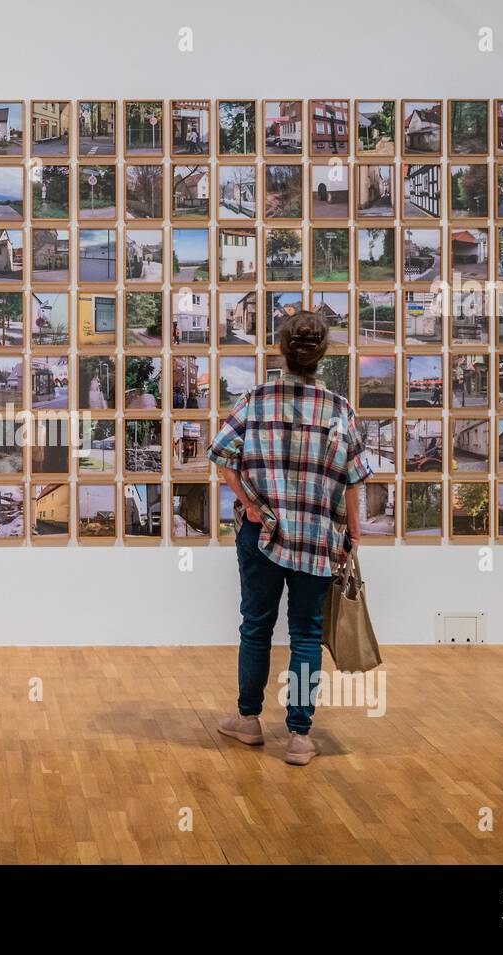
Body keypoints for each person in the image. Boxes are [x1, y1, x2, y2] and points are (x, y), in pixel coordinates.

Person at [207, 311, 372, 766]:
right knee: (306, 633)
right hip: (318, 536)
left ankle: (248, 720)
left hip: (262, 535)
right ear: (320, 355)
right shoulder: (339, 410)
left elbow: (222, 458)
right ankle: (300, 735)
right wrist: (352, 531)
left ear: (282, 349)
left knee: (255, 627)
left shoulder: (255, 401)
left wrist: (253, 505)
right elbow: (353, 479)